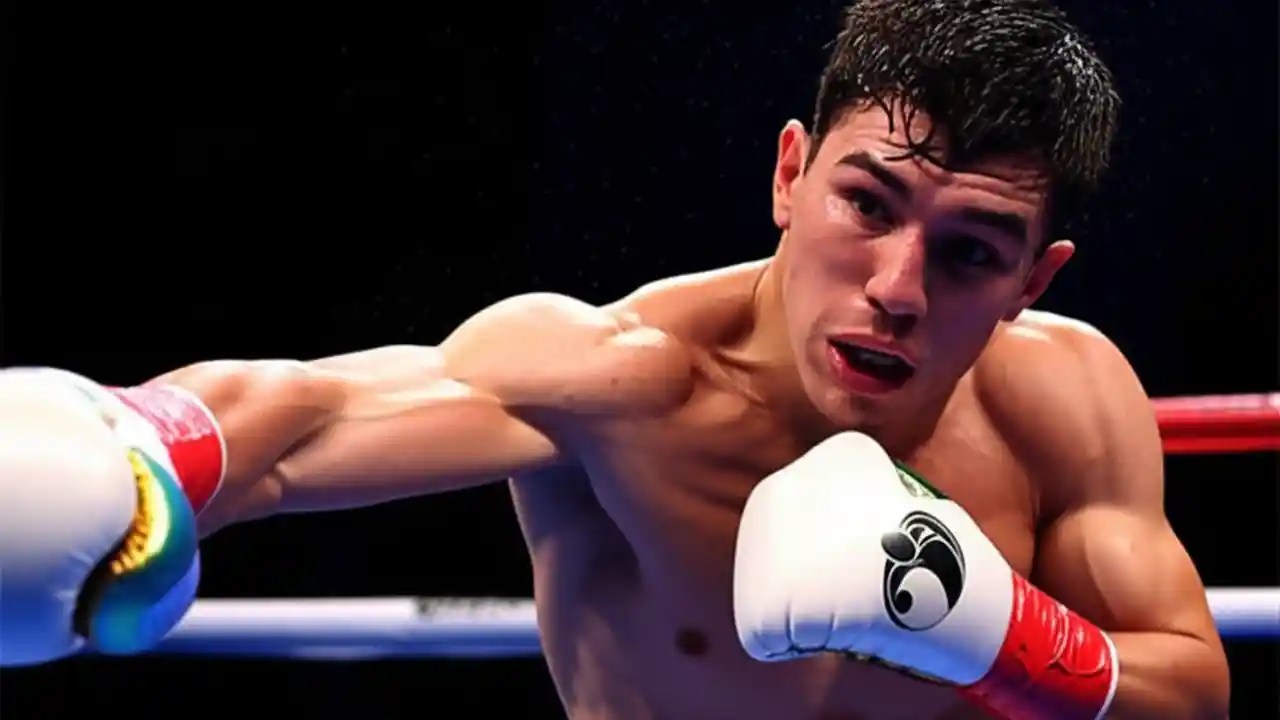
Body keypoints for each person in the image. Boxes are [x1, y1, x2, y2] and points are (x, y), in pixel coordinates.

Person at [0, 1, 1231, 717]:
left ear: (1035, 279)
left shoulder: (1063, 397)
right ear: (789, 174)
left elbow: (1192, 687)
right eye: (867, 204)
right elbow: (305, 416)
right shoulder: (622, 377)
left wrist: (1011, 638)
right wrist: (133, 443)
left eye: (970, 254)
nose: (896, 290)